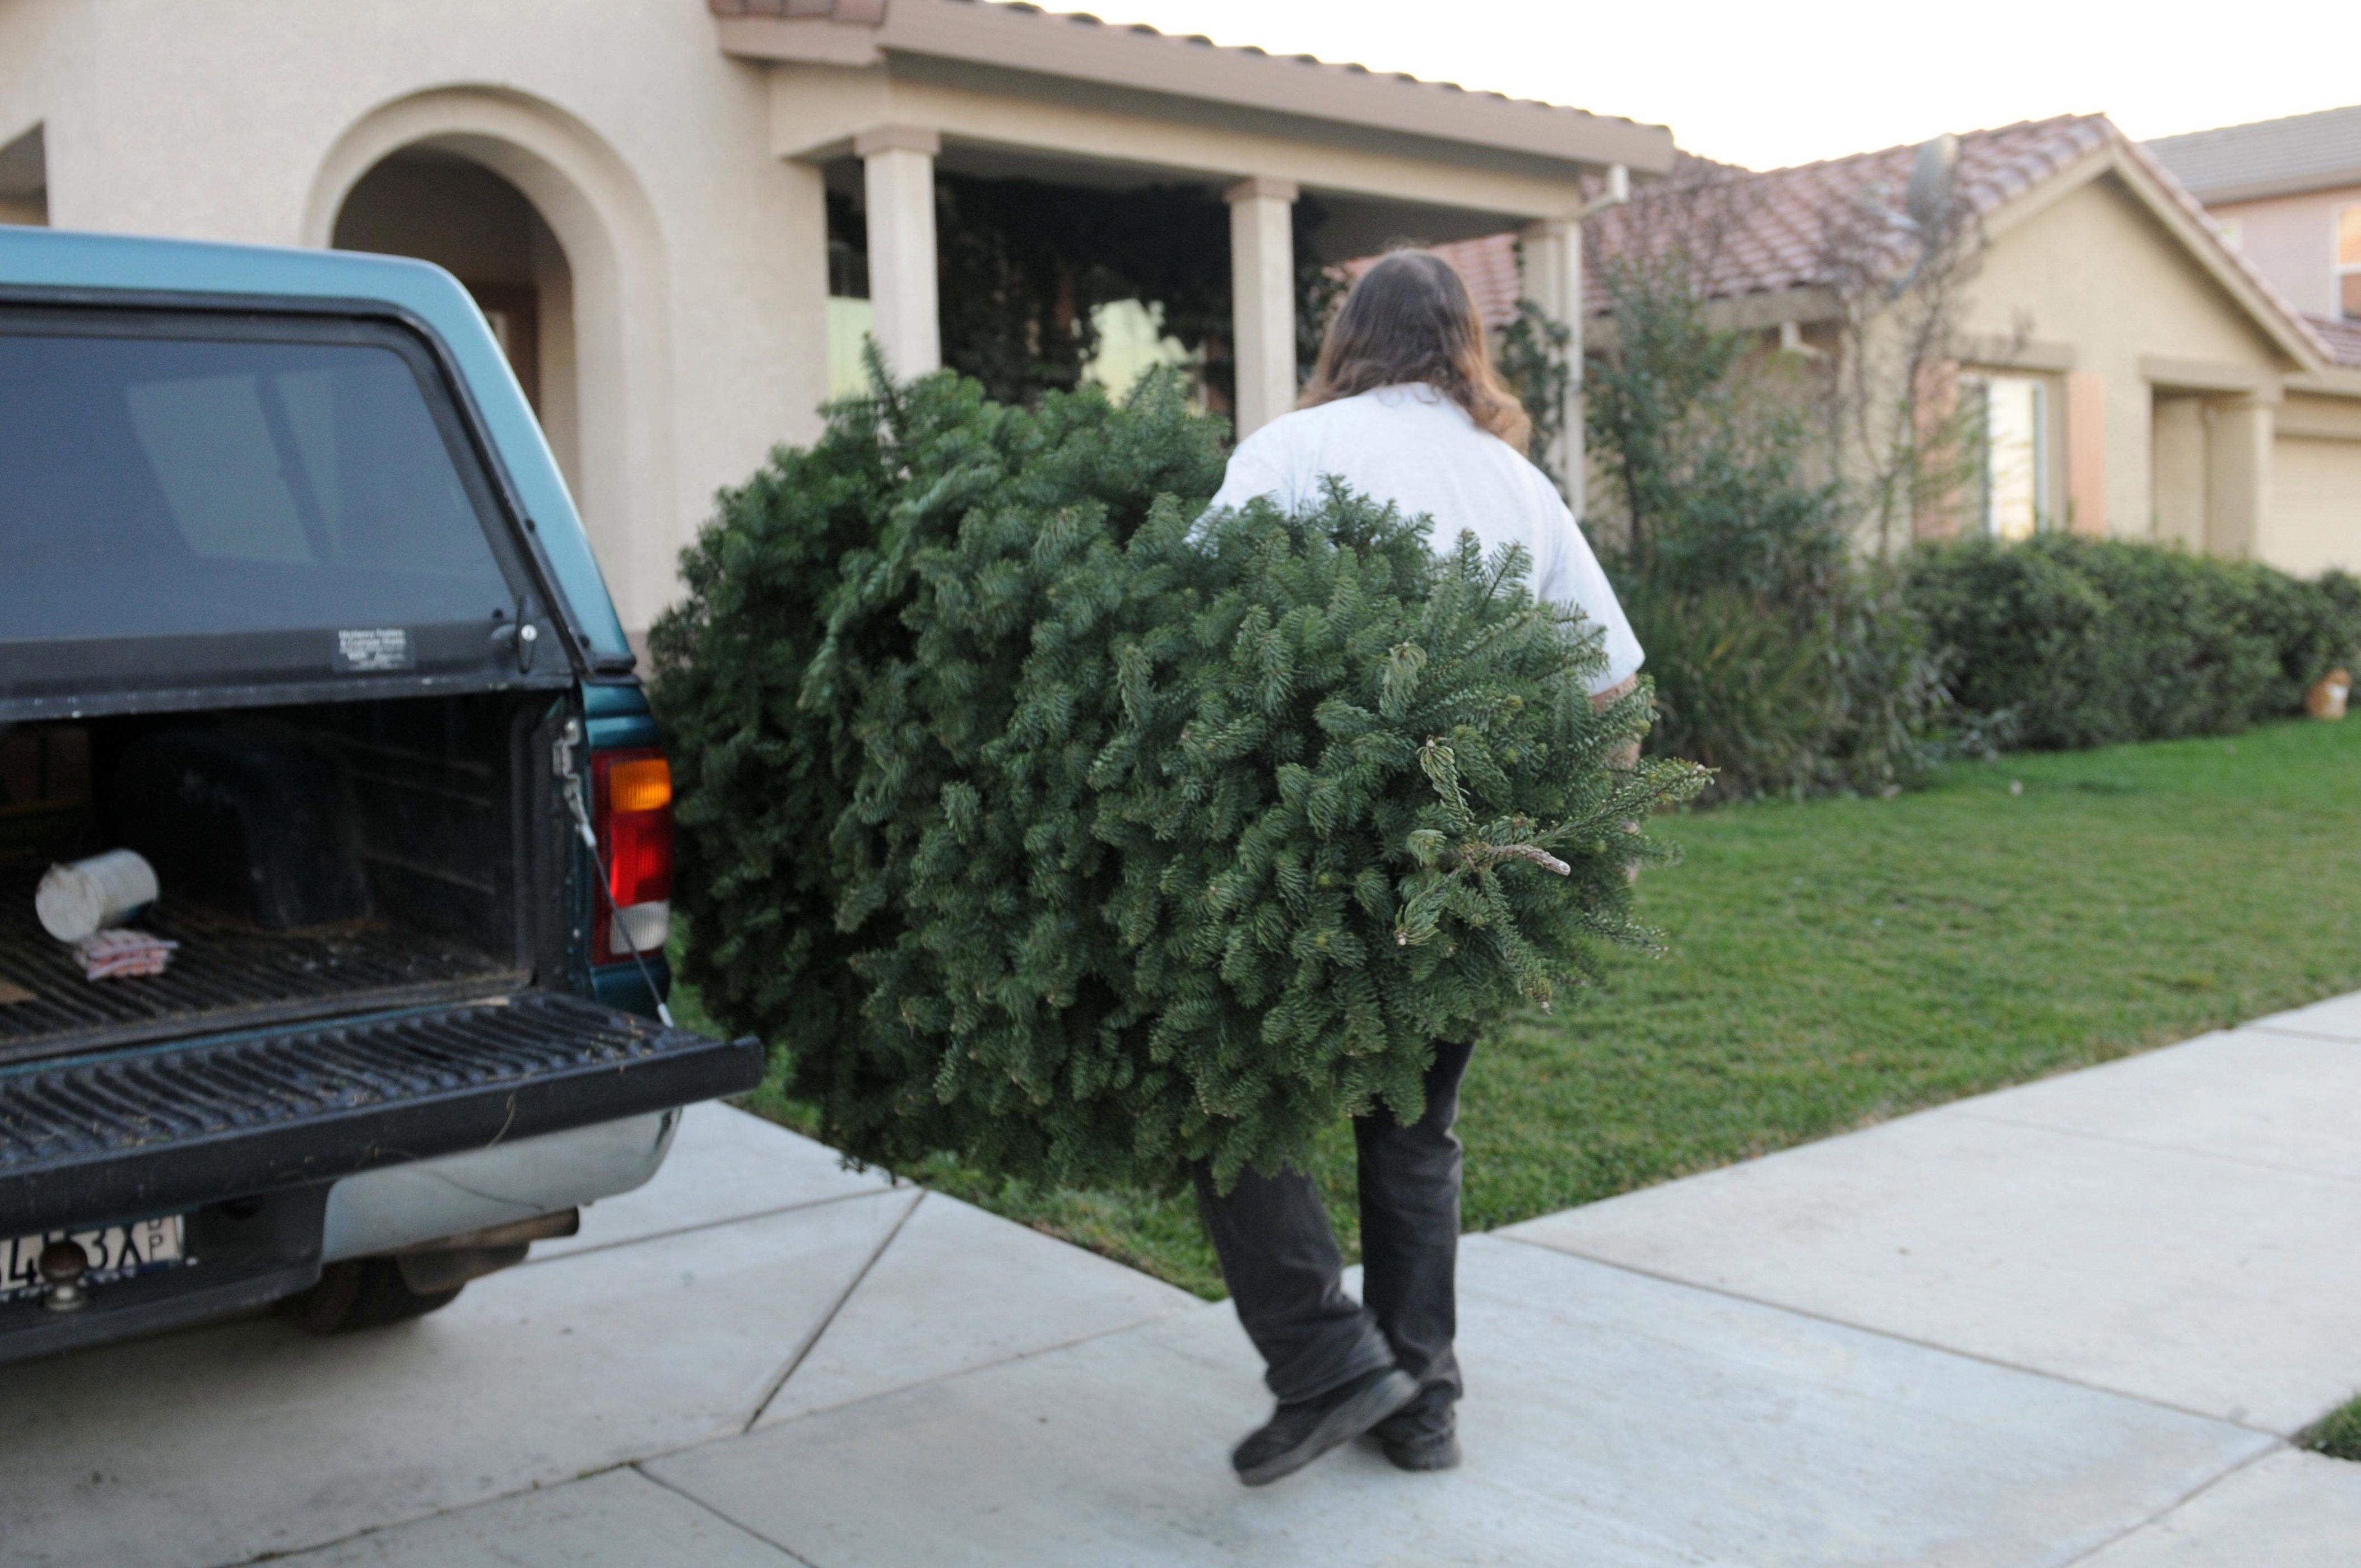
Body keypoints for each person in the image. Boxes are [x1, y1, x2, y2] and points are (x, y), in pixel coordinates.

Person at [1197, 248, 1643, 1488]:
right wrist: (1565, 850)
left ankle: (1330, 1359)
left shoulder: (1289, 453)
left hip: (1302, 847)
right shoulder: (1517, 484)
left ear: (1345, 340)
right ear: (1464, 348)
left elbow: (1190, 618)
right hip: (1466, 861)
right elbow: (1611, 689)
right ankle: (1422, 1402)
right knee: (1412, 1128)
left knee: (1234, 1095)